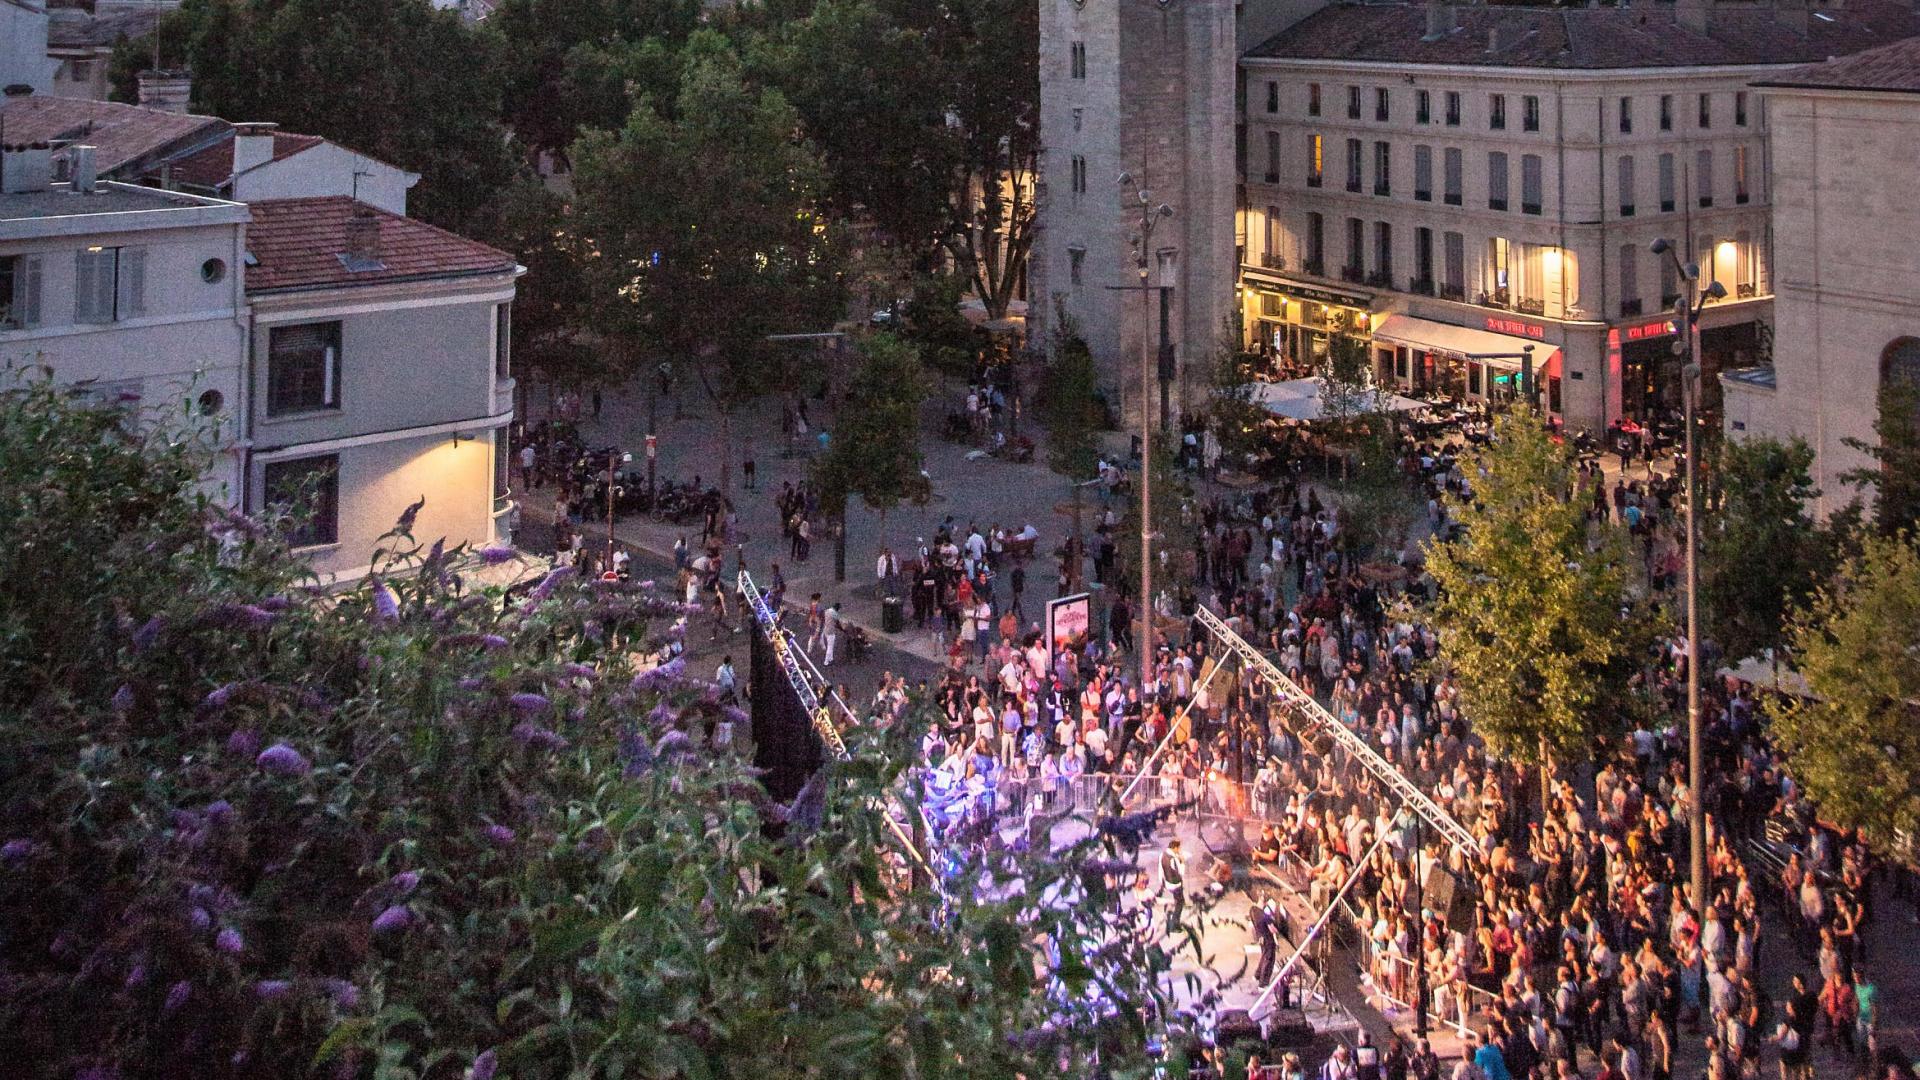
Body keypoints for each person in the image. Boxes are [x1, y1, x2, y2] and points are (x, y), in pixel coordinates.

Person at [1160, 840, 1185, 933]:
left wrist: (1162, 883)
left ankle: (1172, 921)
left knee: (1177, 902)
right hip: (1175, 884)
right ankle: (1174, 925)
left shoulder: (1163, 855)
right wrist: (1182, 862)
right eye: (1178, 848)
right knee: (1180, 903)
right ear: (1175, 847)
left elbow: (1161, 870)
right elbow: (1180, 873)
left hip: (1168, 883)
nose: (1179, 850)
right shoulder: (1173, 859)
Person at [822, 602, 842, 667]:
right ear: (837, 608)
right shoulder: (835, 614)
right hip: (831, 632)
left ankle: (831, 658)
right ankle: (826, 662)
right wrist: (842, 629)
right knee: (830, 647)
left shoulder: (827, 610)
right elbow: (838, 624)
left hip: (825, 629)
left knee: (830, 645)